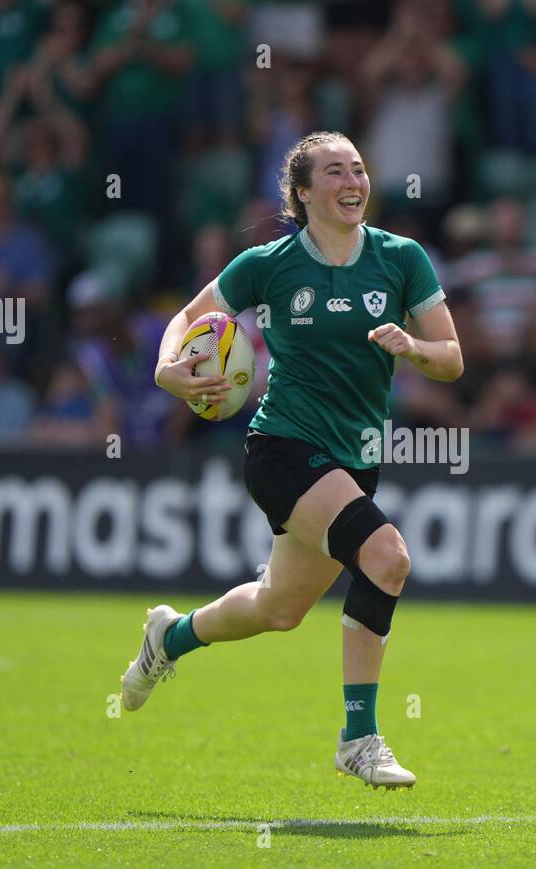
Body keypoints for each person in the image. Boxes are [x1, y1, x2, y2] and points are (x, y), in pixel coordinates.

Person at [121, 132, 462, 790]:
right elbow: (188, 318)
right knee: (387, 556)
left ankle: (170, 637)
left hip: (354, 460)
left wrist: (413, 349)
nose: (352, 179)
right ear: (303, 193)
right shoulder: (268, 264)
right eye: (335, 170)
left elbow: (452, 357)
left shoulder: (402, 259)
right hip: (282, 448)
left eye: (359, 167)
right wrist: (170, 371)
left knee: (279, 609)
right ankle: (358, 738)